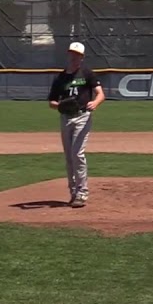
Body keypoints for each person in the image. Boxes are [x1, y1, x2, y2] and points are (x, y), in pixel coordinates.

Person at [47, 41, 105, 207]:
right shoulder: (61, 77)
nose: (74, 57)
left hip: (82, 117)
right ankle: (73, 192)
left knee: (77, 153)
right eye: (72, 53)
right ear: (69, 54)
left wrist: (96, 103)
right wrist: (60, 106)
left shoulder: (87, 73)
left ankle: (82, 192)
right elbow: (51, 101)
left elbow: (100, 94)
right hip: (66, 118)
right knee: (69, 157)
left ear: (82, 57)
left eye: (78, 54)